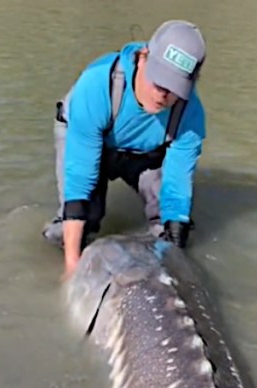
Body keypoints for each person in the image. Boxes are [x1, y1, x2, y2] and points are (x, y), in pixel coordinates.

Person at [43, 20, 207, 277]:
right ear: (143, 58)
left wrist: (175, 262)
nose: (163, 95)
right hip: (88, 138)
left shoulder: (191, 116)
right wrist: (71, 268)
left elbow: (176, 192)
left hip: (144, 152)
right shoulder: (97, 85)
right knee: (78, 228)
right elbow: (79, 183)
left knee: (173, 231)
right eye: (159, 82)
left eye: (174, 88)